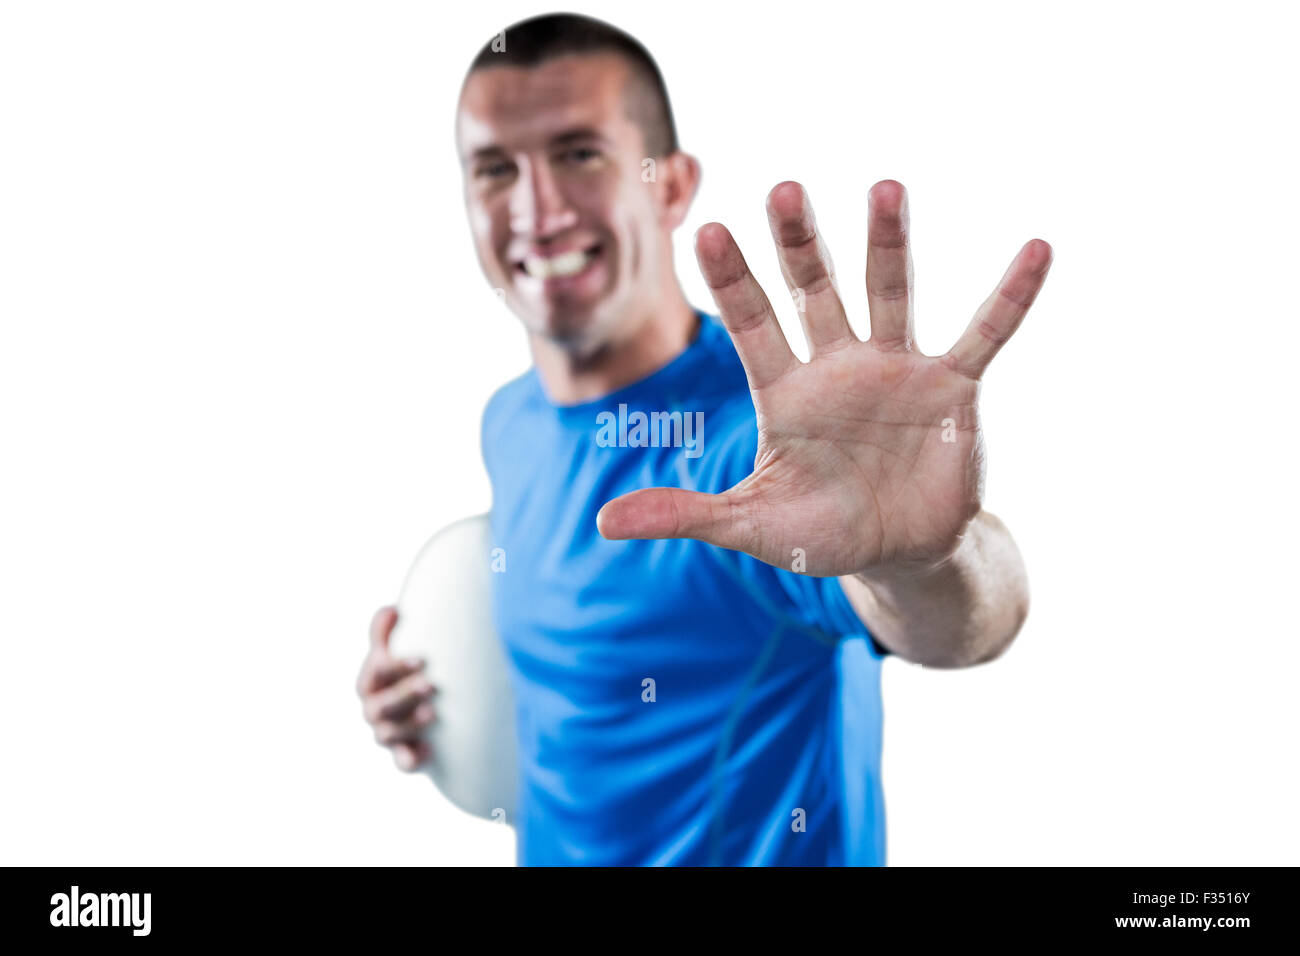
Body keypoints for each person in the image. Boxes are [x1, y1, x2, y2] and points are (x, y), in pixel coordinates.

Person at [356, 12, 1053, 865]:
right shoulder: (510, 420)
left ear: (671, 186)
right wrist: (439, 704)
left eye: (579, 154)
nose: (536, 210)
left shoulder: (757, 454)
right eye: (496, 168)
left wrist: (914, 558)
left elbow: (966, 624)